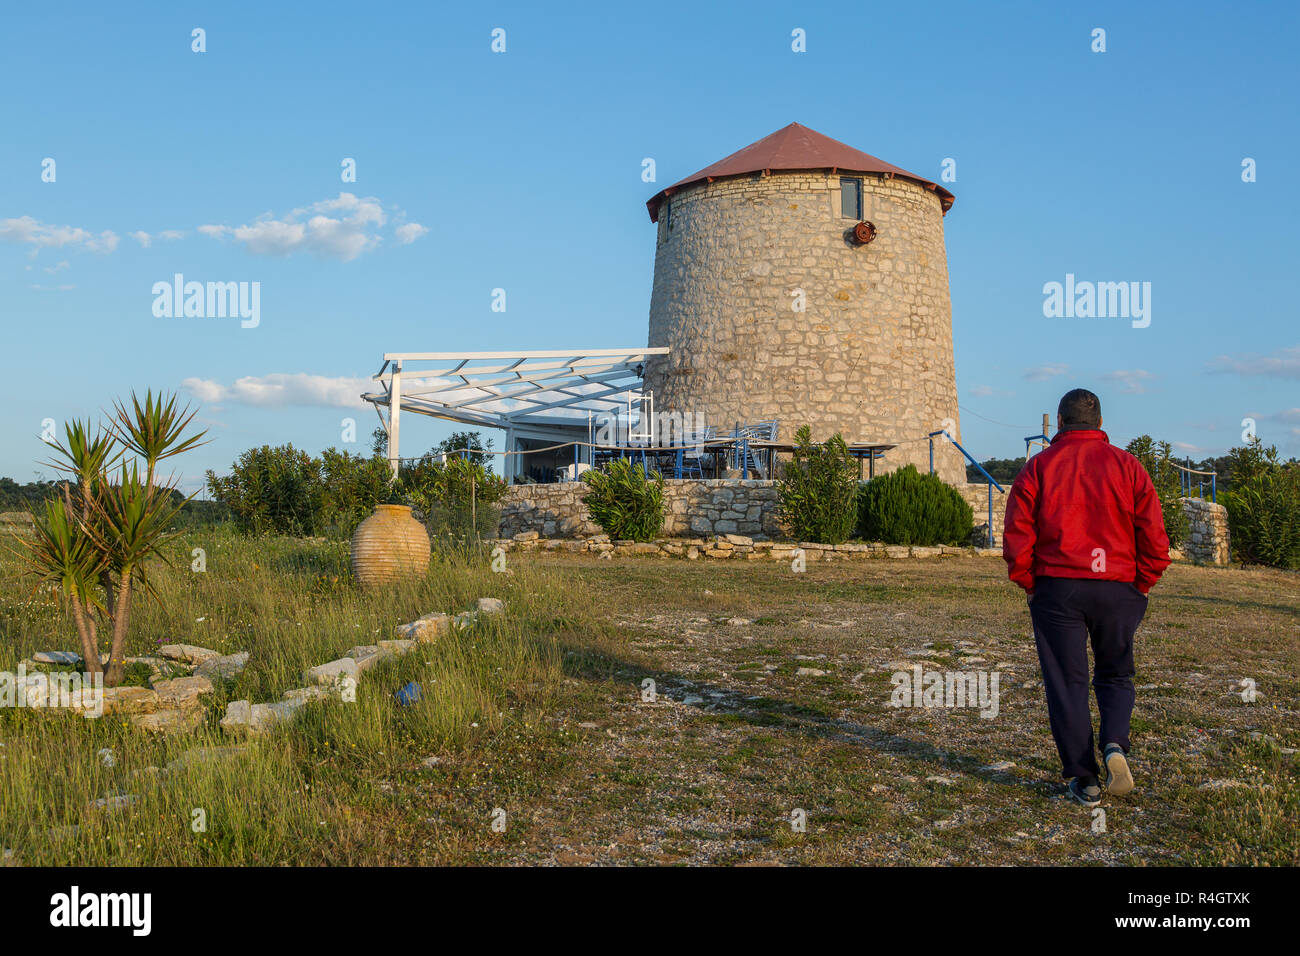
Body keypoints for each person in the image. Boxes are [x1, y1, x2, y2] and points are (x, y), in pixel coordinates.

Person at [1002, 388, 1171, 806]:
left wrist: (1030, 582)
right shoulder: (1129, 467)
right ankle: (1114, 743)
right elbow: (1154, 538)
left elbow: (1017, 535)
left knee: (1067, 684)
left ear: (1059, 422)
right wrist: (1141, 584)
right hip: (1118, 587)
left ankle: (1086, 779)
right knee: (1115, 674)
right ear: (1099, 424)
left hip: (1058, 588)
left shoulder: (1038, 467)